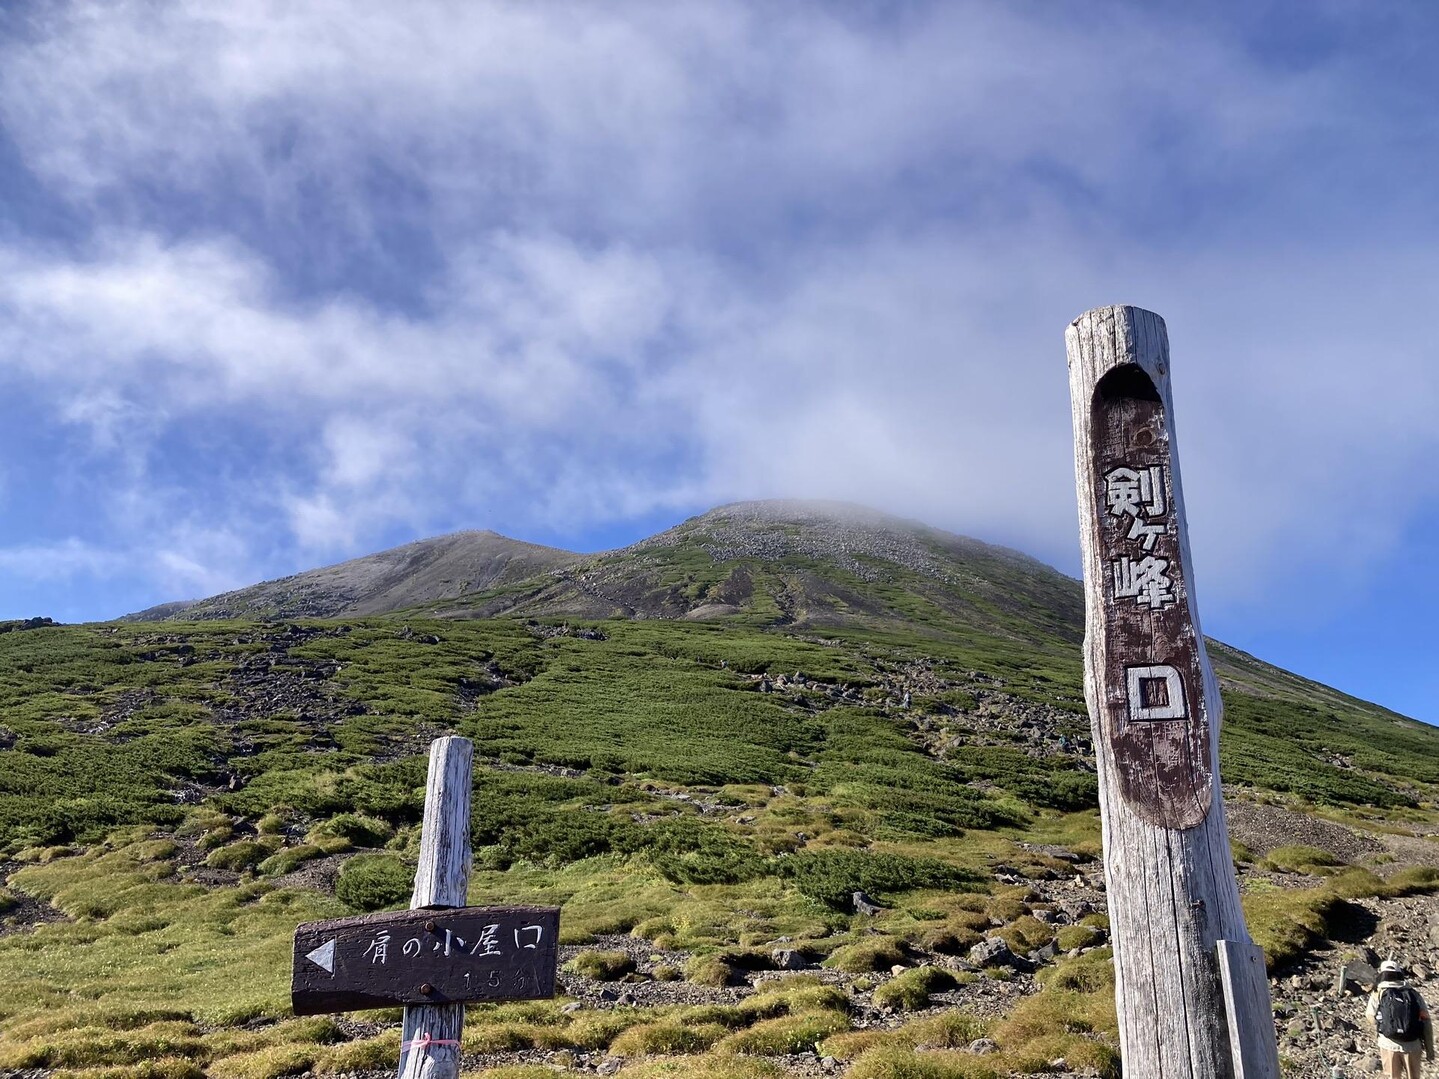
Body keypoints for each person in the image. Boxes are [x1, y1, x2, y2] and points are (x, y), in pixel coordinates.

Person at [1365, 959, 1434, 1078]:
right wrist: (1430, 1050)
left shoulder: (1378, 992)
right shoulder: (1413, 994)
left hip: (1388, 1044)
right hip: (1412, 1045)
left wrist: (1383, 1027)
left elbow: (1370, 1016)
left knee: (1393, 1076)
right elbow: (1426, 1021)